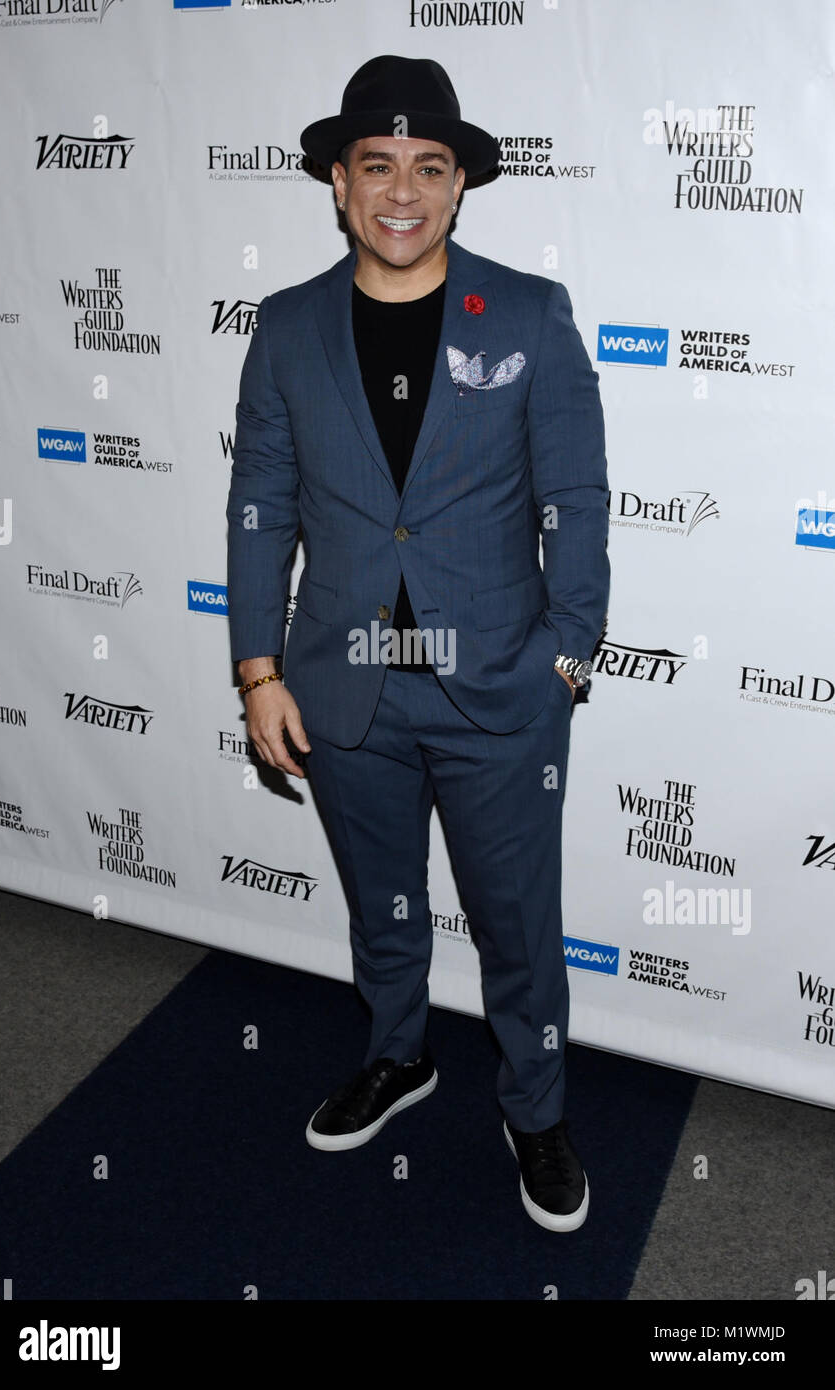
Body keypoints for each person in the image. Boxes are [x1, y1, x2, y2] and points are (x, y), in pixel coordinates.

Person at [226, 54, 610, 1232]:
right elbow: (260, 505)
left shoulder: (528, 314)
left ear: (457, 186)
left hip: (497, 686)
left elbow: (577, 499)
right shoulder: (286, 326)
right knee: (382, 905)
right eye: (376, 166)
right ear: (338, 184)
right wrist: (258, 672)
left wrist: (566, 654)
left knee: (514, 921)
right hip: (344, 689)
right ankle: (399, 1056)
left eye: (427, 168)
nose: (402, 190)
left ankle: (534, 1110)